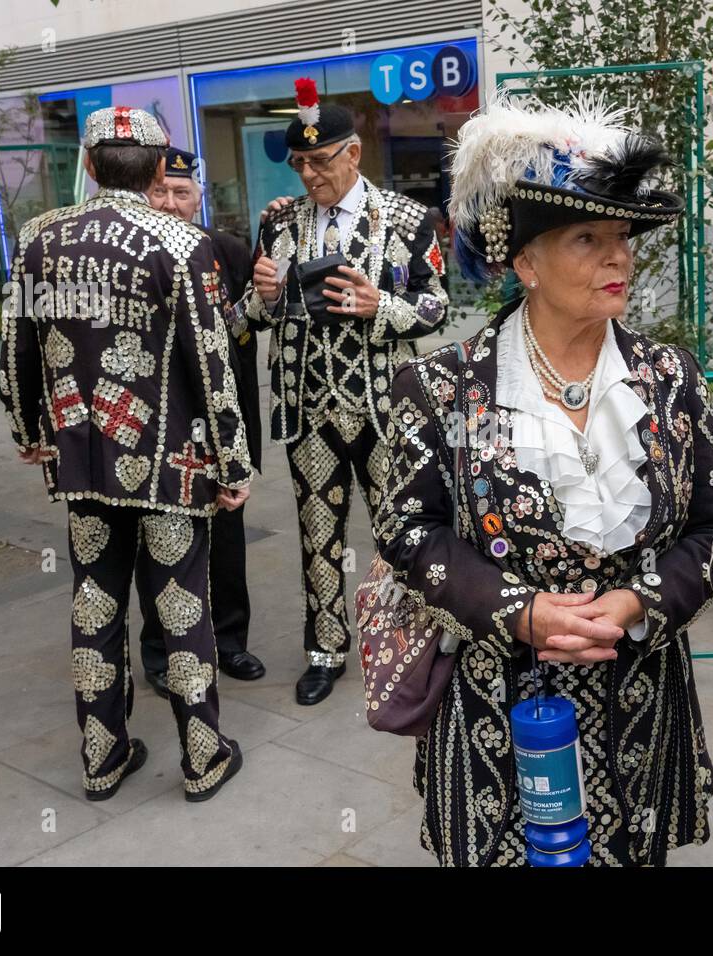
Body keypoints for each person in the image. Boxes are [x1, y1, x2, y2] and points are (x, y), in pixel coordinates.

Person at [375, 96, 713, 866]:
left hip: (639, 706)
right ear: (526, 263)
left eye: (623, 238)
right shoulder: (439, 386)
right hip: (495, 717)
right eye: (588, 238)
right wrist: (516, 608)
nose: (620, 258)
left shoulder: (669, 377)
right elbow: (407, 533)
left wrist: (643, 599)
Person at [0, 106, 251, 801]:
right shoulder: (179, 241)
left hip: (83, 462)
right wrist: (233, 463)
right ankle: (203, 759)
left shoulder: (38, 240)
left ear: (87, 163)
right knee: (181, 606)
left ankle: (102, 758)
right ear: (155, 168)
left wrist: (29, 430)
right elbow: (212, 361)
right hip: (170, 463)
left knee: (93, 604)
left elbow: (15, 346)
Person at [236, 78, 449, 705]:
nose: (309, 176)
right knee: (316, 532)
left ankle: (409, 641)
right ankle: (325, 650)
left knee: (401, 529)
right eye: (300, 164)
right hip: (310, 409)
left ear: (352, 154)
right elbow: (245, 318)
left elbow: (437, 306)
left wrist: (378, 304)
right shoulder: (279, 225)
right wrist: (264, 297)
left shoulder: (410, 221)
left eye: (320, 161)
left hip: (384, 408)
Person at [141, 147, 266, 694]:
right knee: (156, 542)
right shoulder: (132, 253)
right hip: (155, 424)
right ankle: (160, 651)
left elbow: (248, 325)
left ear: (198, 198)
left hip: (221, 422)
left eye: (181, 193)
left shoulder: (226, 250)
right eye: (159, 192)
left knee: (227, 537)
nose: (170, 204)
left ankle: (229, 641)